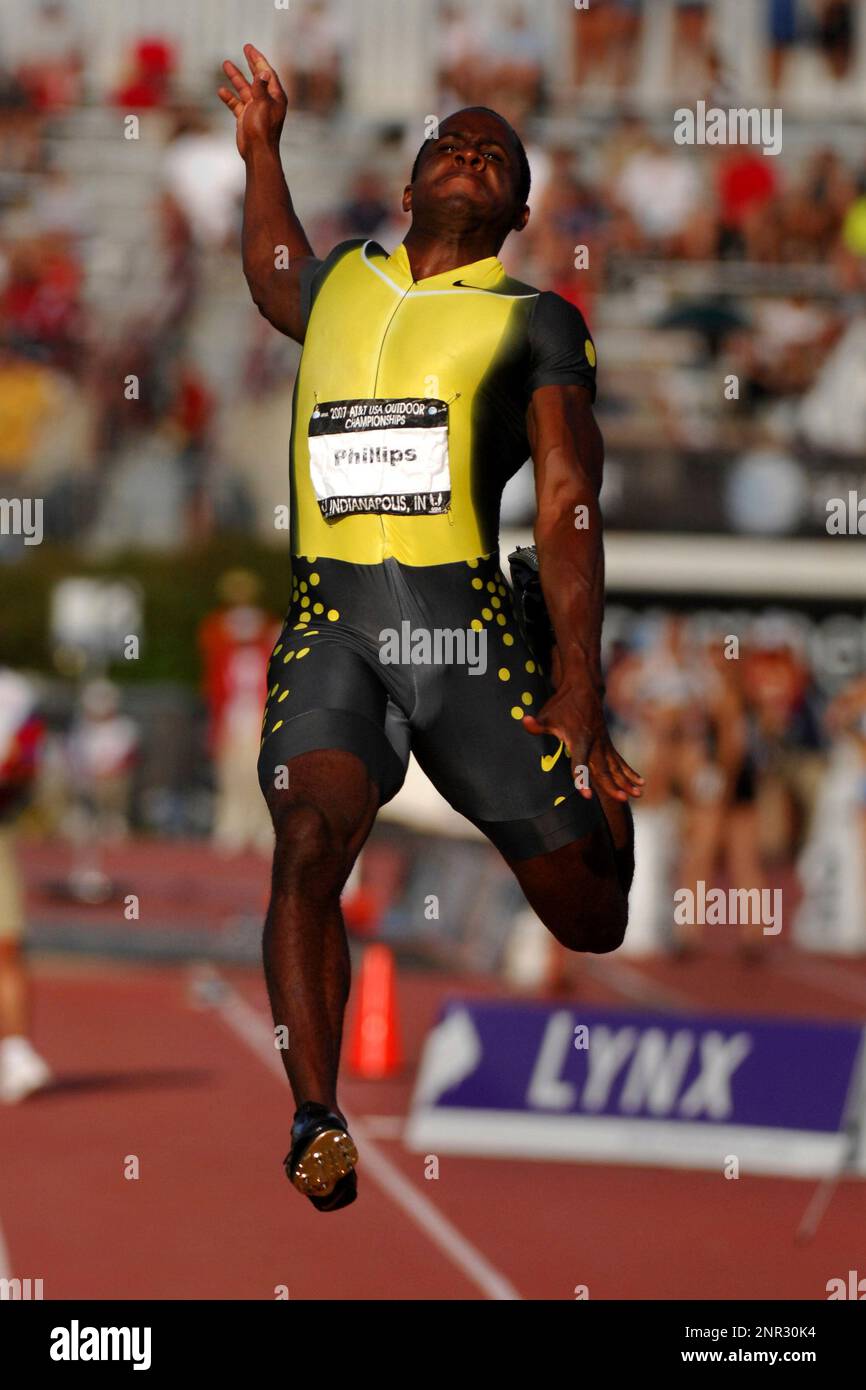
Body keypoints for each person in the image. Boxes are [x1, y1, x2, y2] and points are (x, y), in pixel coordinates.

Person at [218, 44, 643, 1210]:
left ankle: (588, 795)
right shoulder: (340, 281)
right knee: (307, 836)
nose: (470, 149)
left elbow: (565, 497)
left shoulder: (532, 320)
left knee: (590, 913)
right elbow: (269, 271)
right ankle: (316, 1112)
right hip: (335, 631)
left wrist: (577, 680)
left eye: (494, 153)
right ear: (406, 187)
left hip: (467, 641)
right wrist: (260, 147)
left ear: (513, 208)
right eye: (449, 139)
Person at [0, 666, 52, 1103]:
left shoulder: (14, 694)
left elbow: (28, 761)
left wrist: (12, 770)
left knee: (6, 943)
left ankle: (15, 1050)